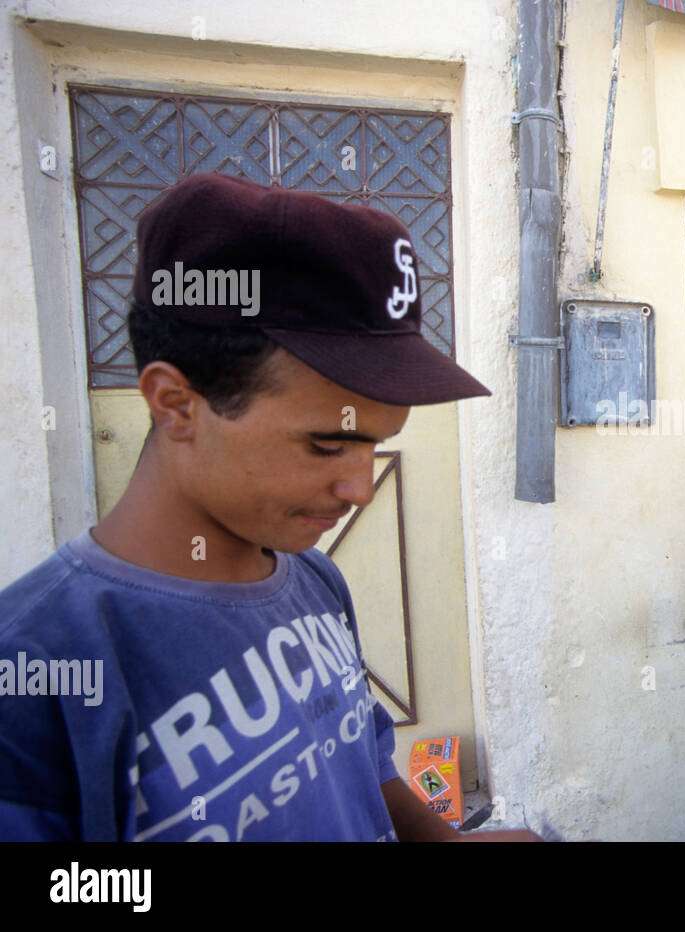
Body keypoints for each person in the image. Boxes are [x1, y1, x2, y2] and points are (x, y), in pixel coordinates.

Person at [0, 174, 537, 841]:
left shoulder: (312, 581)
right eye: (326, 445)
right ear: (176, 404)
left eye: (375, 445)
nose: (361, 488)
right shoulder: (34, 671)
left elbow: (362, 764)